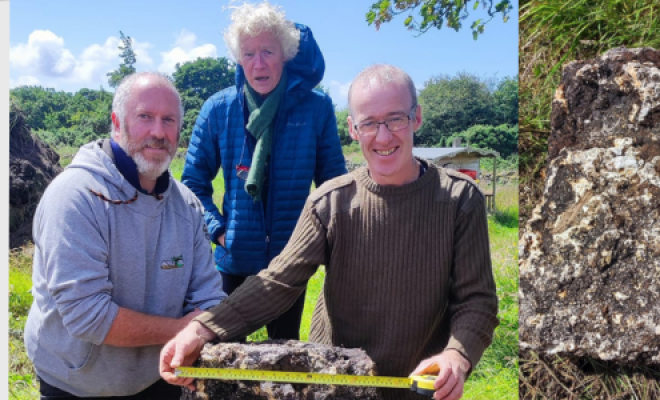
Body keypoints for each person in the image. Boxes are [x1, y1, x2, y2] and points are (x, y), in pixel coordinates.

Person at [161, 64, 499, 400]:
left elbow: (477, 299)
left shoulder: (459, 198)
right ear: (352, 128)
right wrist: (203, 328)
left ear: (417, 118)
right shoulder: (330, 202)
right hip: (336, 384)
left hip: (420, 385)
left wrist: (458, 354)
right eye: (368, 123)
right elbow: (279, 281)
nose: (383, 136)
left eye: (396, 119)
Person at [24, 72, 226, 400]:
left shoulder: (186, 204)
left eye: (169, 120)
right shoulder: (76, 196)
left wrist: (204, 323)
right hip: (76, 385)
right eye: (145, 117)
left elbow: (209, 295)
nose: (158, 132)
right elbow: (87, 316)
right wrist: (184, 329)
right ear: (117, 123)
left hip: (160, 377)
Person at [181, 1, 347, 342]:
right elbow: (192, 184)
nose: (258, 64)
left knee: (284, 356)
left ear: (284, 54)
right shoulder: (219, 109)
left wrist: (314, 242)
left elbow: (334, 186)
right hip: (232, 259)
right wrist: (219, 230)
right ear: (238, 58)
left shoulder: (316, 108)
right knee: (224, 355)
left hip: (289, 264)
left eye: (268, 51)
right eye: (249, 53)